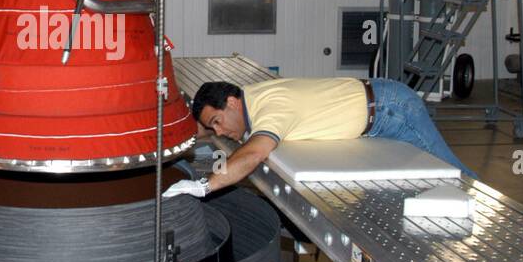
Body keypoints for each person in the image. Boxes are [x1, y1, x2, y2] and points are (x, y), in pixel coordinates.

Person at [164, 76, 472, 198]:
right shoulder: (250, 96)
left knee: (456, 177)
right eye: (212, 128)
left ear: (231, 103)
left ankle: (493, 218)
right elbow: (204, 128)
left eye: (217, 122)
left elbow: (254, 154)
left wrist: (205, 185)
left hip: (393, 111)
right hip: (378, 109)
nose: (219, 133)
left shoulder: (271, 111)